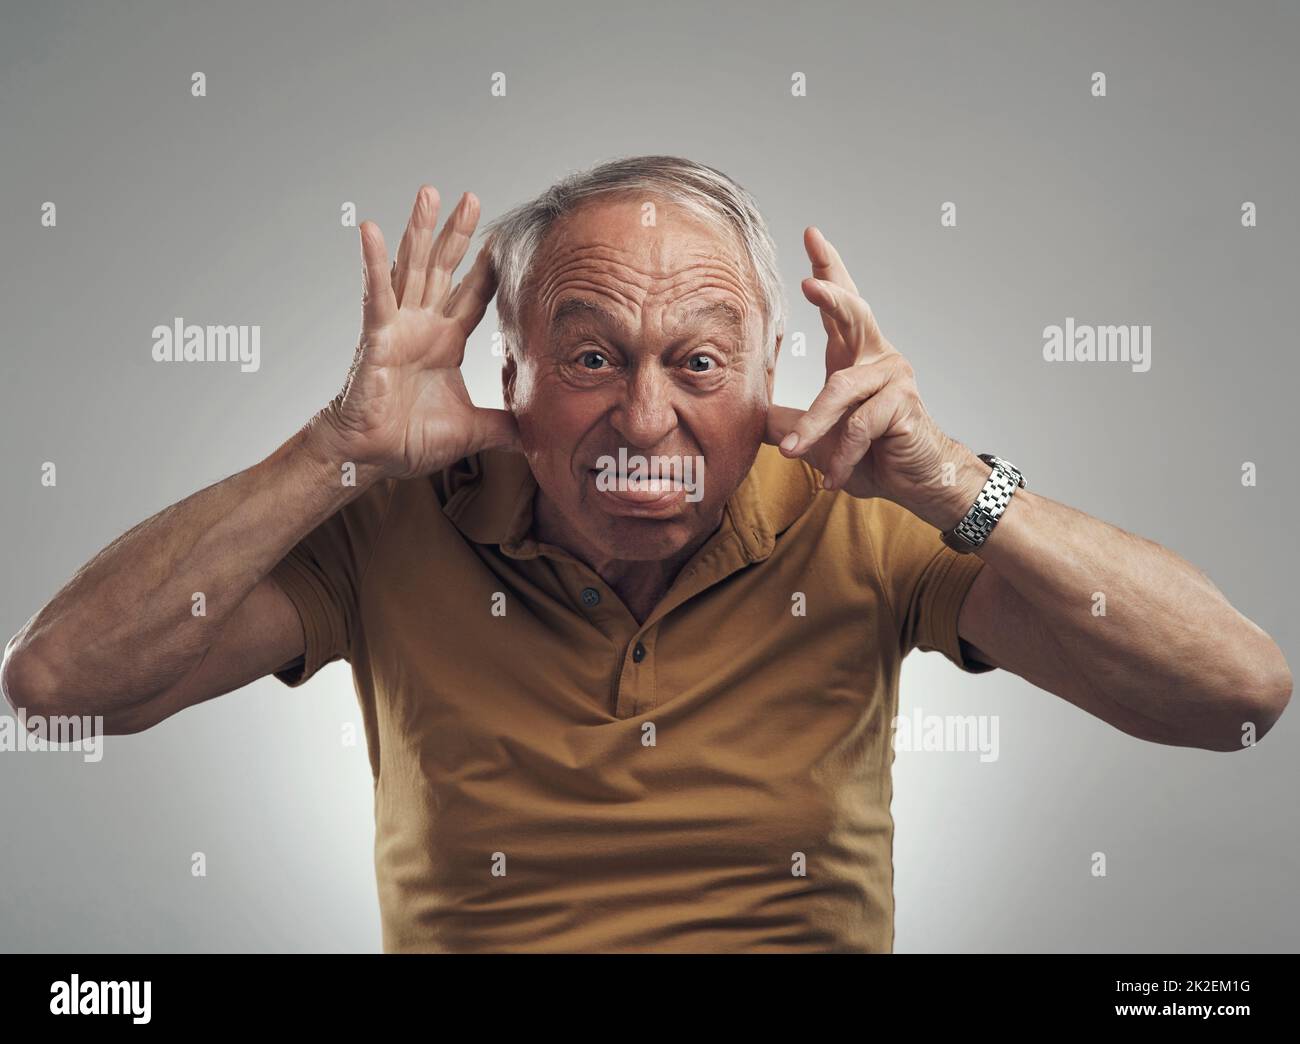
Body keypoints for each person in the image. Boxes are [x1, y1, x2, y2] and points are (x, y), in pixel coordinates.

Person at [3, 155, 1290, 953]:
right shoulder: (392, 522)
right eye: (590, 355)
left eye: (698, 362)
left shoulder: (868, 520)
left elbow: (1235, 698)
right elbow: (57, 686)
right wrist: (334, 448)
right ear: (508, 375)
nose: (643, 414)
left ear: (770, 381)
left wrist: (956, 481)